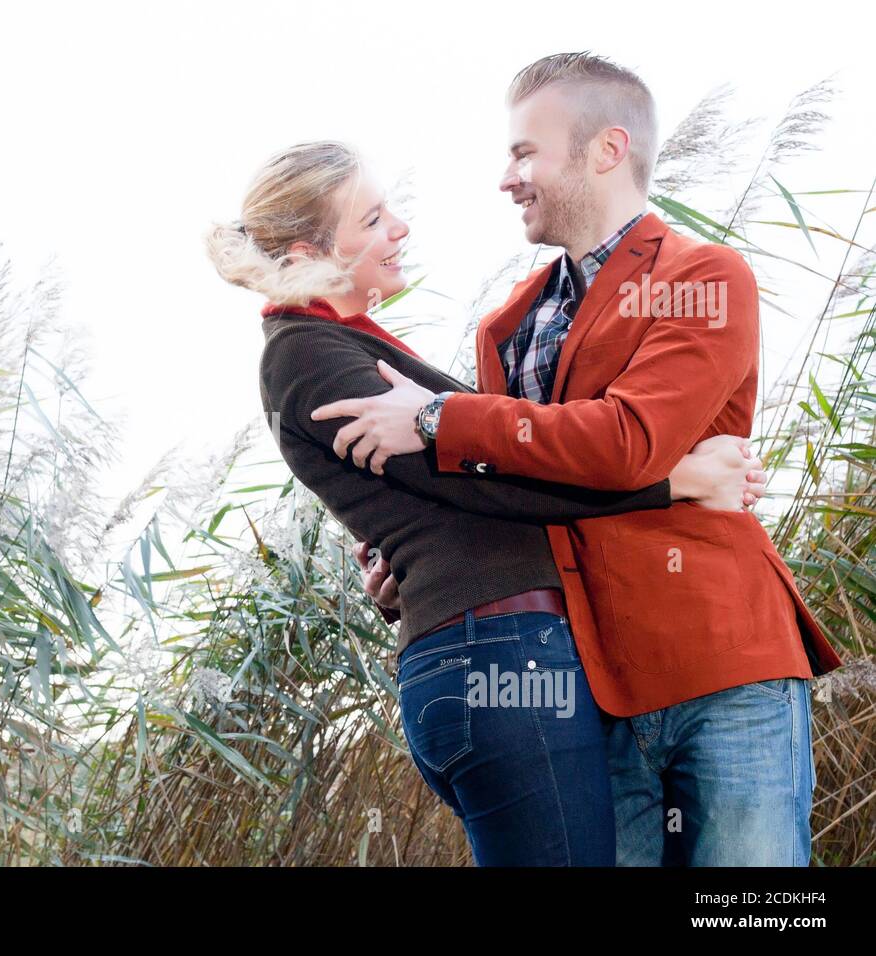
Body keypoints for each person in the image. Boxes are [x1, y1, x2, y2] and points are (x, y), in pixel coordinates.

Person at [311, 53, 845, 866]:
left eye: (526, 152)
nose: (506, 178)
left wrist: (437, 417)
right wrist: (417, 560)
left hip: (722, 665)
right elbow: (512, 491)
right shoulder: (505, 327)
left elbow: (629, 441)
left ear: (606, 149)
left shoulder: (703, 277)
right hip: (585, 684)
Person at [205, 139, 764, 865]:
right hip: (497, 659)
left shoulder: (339, 345)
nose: (398, 229)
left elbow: (458, 477)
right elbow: (487, 477)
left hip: (495, 657)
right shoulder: (305, 354)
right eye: (373, 220)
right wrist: (676, 480)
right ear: (314, 250)